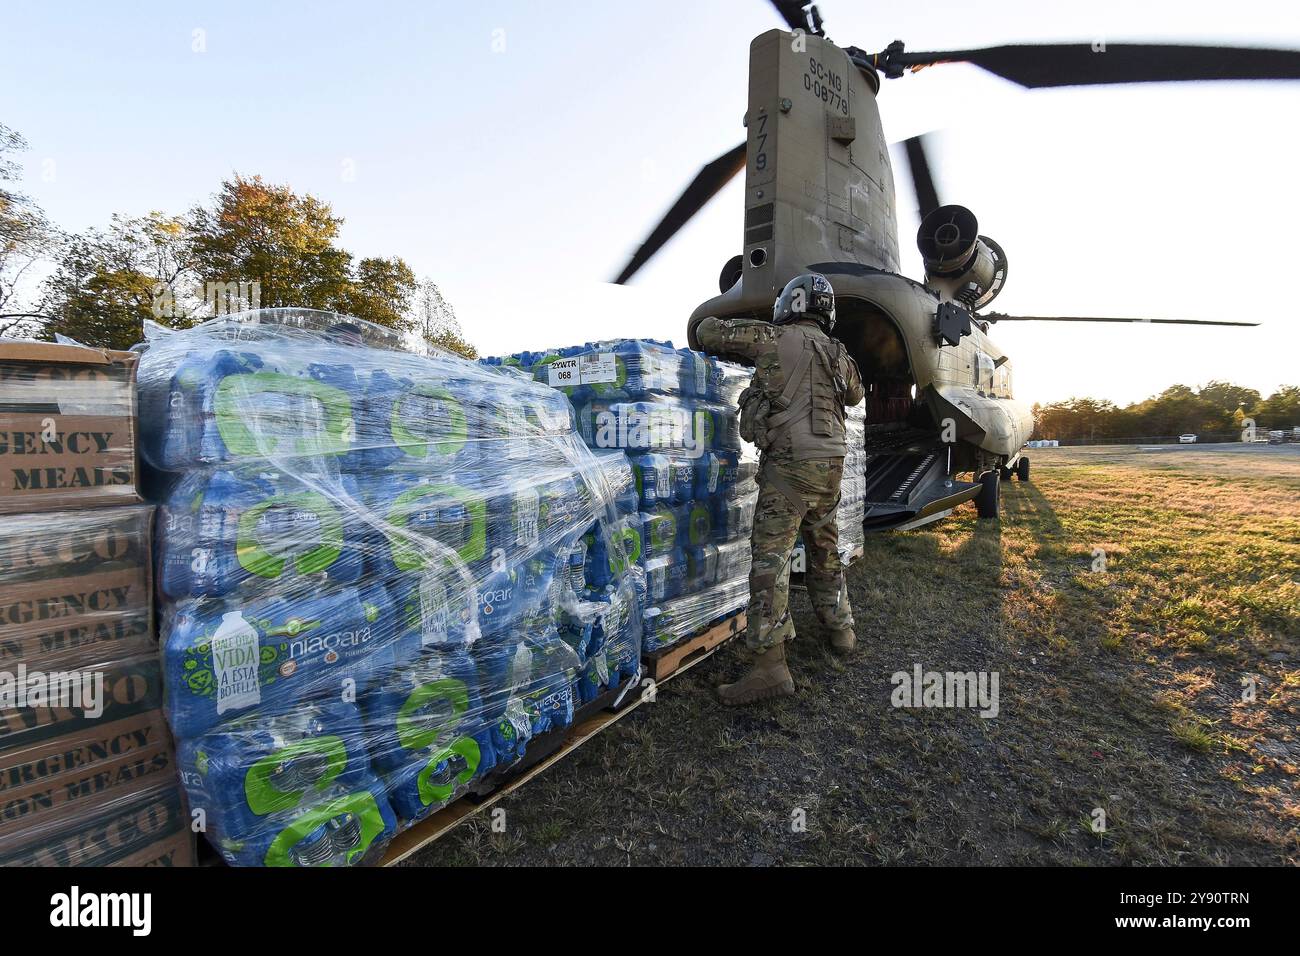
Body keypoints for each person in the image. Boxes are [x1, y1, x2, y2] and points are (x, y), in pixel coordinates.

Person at [688, 273, 864, 706]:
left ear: (793, 303)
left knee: (771, 561)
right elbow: (856, 395)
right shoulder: (840, 354)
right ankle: (841, 630)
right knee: (825, 549)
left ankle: (770, 667)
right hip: (832, 466)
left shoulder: (769, 337)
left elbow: (705, 331)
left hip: (790, 468)